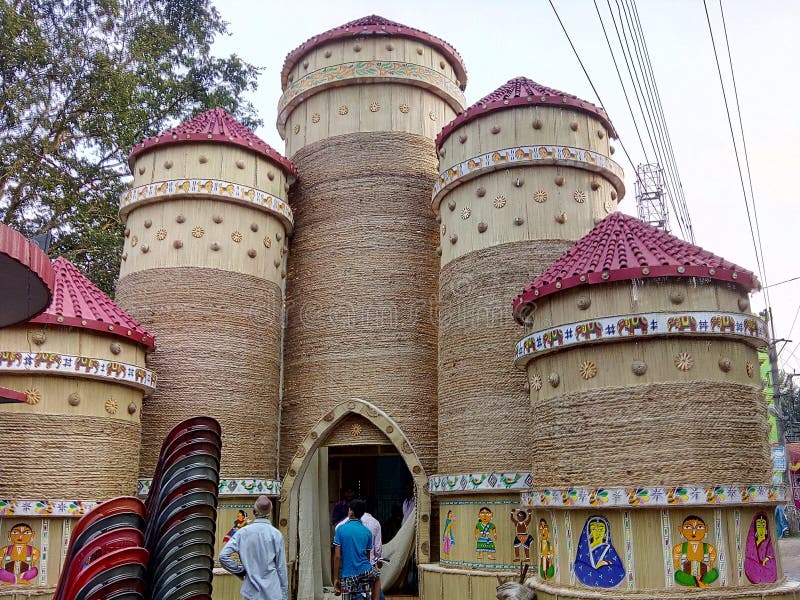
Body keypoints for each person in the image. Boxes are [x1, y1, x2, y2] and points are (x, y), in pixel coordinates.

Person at [219, 495, 288, 600]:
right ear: (269, 514)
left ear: (254, 512)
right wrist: (284, 596)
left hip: (251, 594)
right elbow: (281, 568)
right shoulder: (276, 534)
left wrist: (241, 571)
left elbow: (223, 556)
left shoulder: (243, 533)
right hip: (273, 593)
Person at [334, 499, 381, 600]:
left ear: (351, 512)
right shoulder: (367, 532)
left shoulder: (340, 529)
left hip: (348, 575)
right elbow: (367, 556)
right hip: (365, 571)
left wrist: (336, 579)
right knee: (376, 577)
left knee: (347, 597)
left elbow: (337, 556)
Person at [574, 515, 625, 588]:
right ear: (589, 531)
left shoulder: (609, 550)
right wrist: (601, 571)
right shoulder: (583, 550)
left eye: (601, 529)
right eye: (594, 529)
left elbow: (618, 571)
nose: (598, 533)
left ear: (605, 532)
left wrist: (603, 565)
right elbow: (579, 566)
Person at [671, 515, 718, 588]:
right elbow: (676, 550)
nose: (694, 532)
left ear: (706, 529)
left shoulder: (706, 546)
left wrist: (711, 562)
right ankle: (699, 583)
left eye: (699, 527)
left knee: (715, 572)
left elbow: (713, 551)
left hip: (703, 573)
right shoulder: (683, 546)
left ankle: (695, 583)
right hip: (687, 572)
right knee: (678, 575)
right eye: (688, 527)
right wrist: (676, 562)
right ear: (681, 530)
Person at [744, 512, 777, 584]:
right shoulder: (751, 541)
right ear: (755, 528)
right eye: (759, 526)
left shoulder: (768, 542)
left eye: (763, 526)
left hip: (767, 568)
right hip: (754, 567)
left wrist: (766, 560)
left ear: (766, 528)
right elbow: (749, 555)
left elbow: (771, 555)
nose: (761, 529)